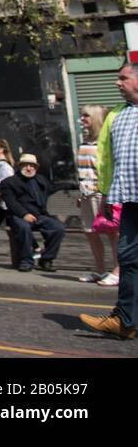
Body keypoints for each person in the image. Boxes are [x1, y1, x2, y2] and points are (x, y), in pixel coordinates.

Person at [79, 61, 138, 340]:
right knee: (128, 259)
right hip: (128, 198)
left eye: (122, 78)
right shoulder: (117, 114)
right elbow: (106, 158)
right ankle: (125, 321)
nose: (117, 83)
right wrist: (105, 193)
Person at [76, 105, 120, 286]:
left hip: (102, 193)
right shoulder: (85, 141)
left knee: (113, 233)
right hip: (86, 194)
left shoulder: (106, 141)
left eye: (86, 115)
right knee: (90, 233)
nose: (82, 119)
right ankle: (100, 270)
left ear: (95, 118)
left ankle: (118, 271)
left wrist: (110, 194)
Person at [1, 153, 64, 272]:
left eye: (32, 166)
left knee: (58, 228)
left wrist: (74, 186)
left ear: (36, 168)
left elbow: (53, 187)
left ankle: (46, 260)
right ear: (20, 166)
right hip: (19, 216)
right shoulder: (8, 183)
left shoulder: (40, 180)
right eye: (26, 165)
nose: (29, 168)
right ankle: (26, 260)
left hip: (39, 215)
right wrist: (24, 214)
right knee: (23, 227)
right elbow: (11, 203)